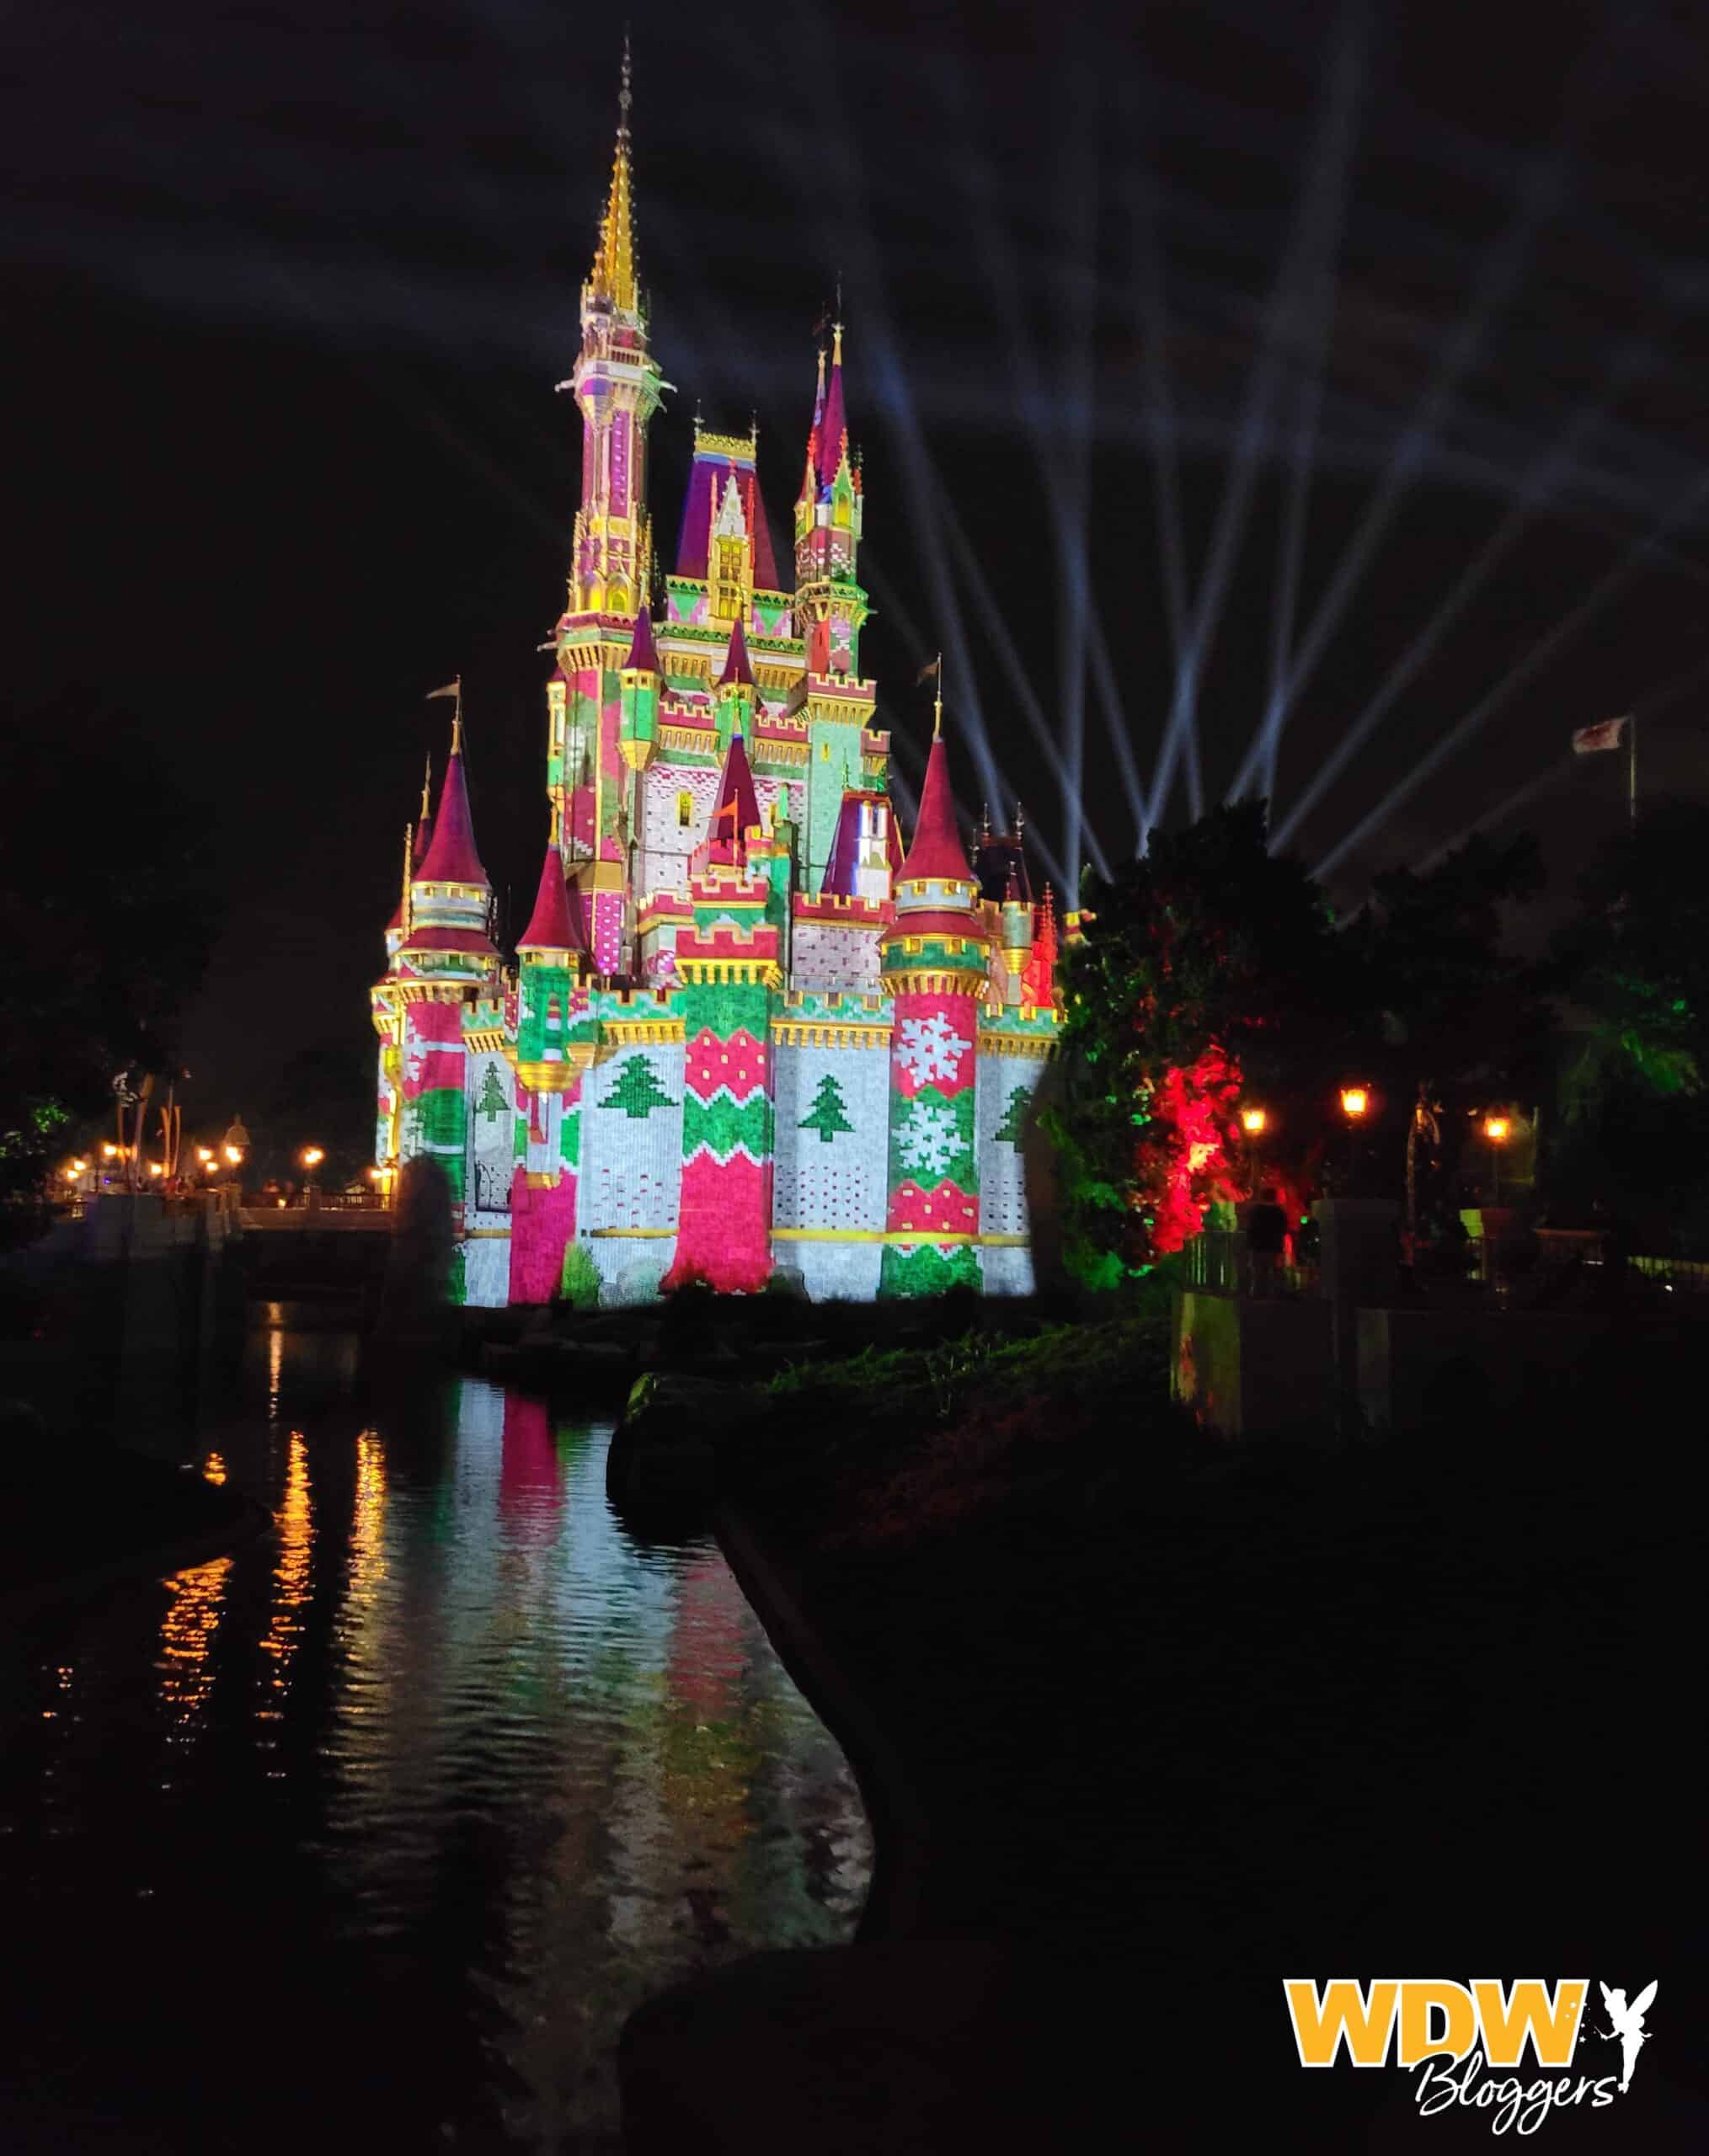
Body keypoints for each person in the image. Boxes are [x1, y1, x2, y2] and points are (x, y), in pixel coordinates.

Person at [1244, 1186, 1289, 1297]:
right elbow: (1283, 1229)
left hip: (1257, 1246)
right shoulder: (1279, 1212)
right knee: (1275, 1271)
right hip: (1274, 1247)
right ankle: (1276, 1293)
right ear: (1275, 1197)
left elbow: (1250, 1228)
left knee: (1258, 1272)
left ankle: (1257, 1294)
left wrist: (1250, 1243)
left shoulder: (1255, 1211)